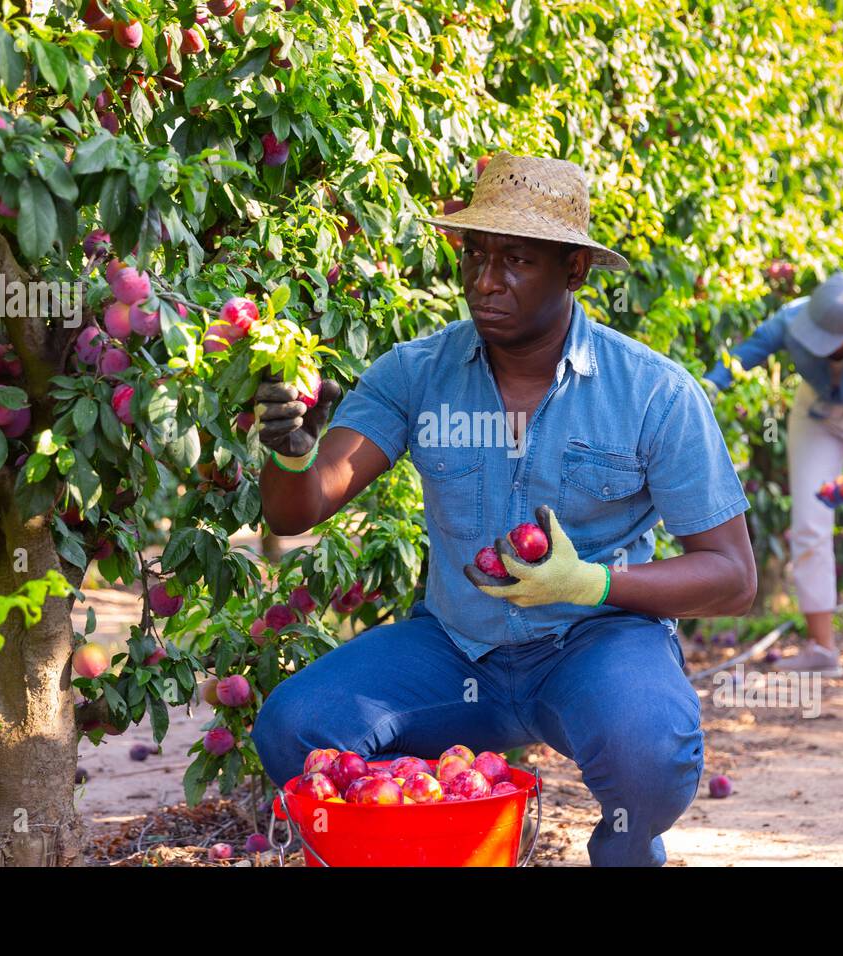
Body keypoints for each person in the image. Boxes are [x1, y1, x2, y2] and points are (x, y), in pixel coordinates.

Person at [250, 153, 757, 866]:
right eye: (476, 256)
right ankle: (439, 831)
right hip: (458, 648)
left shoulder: (653, 393)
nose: (485, 282)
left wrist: (594, 585)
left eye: (515, 260)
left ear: (574, 269)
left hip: (595, 646)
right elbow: (299, 510)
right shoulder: (415, 373)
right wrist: (293, 451)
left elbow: (733, 577)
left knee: (649, 751)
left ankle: (625, 846)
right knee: (295, 728)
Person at [703, 273, 843, 676]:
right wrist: (703, 390)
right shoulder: (792, 319)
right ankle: (822, 649)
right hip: (817, 413)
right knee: (809, 525)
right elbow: (745, 355)